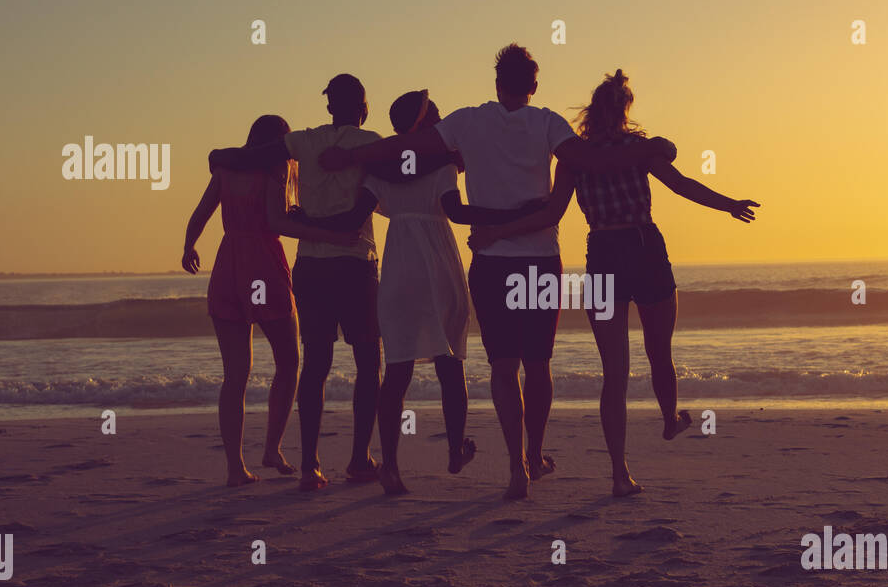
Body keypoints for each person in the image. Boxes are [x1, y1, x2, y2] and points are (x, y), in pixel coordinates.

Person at [318, 45, 678, 500]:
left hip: (490, 264)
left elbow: (407, 144)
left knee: (503, 367)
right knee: (538, 365)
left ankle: (515, 470)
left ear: (496, 83)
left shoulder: (468, 121)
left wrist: (349, 158)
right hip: (539, 258)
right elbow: (592, 161)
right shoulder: (548, 122)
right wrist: (649, 148)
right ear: (534, 86)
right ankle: (534, 454)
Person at [469, 69, 759, 497]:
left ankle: (620, 473)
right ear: (624, 110)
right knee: (660, 353)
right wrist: (728, 204)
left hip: (603, 253)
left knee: (615, 374)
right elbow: (682, 186)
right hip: (644, 247)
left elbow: (550, 215)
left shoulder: (575, 159)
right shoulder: (638, 150)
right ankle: (668, 419)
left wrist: (497, 232)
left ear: (592, 111)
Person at [302, 90, 547, 495]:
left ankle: (392, 468)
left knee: (396, 370)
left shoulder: (379, 171)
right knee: (449, 362)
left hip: (398, 269)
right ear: (422, 125)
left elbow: (351, 218)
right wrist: (510, 216)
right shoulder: (443, 167)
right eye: (433, 115)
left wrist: (307, 220)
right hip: (437, 265)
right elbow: (459, 214)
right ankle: (455, 449)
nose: (439, 121)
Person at [209, 75, 387, 491]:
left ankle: (311, 466)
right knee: (367, 363)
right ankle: (359, 459)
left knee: (315, 364)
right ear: (364, 108)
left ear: (328, 108)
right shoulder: (372, 140)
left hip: (312, 266)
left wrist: (218, 153)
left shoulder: (302, 142)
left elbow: (252, 156)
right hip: (356, 263)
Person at [182, 114, 355, 487]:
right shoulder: (275, 171)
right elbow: (279, 223)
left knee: (235, 374)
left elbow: (201, 213)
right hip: (263, 267)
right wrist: (324, 233)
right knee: (289, 362)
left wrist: (189, 246)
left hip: (228, 267)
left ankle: (234, 468)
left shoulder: (226, 170)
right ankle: (271, 448)